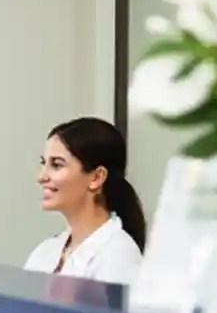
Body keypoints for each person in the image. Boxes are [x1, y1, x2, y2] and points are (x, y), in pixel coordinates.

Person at [24, 117, 146, 285]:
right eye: (44, 163)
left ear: (96, 177)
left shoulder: (118, 257)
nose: (41, 177)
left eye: (57, 165)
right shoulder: (47, 251)